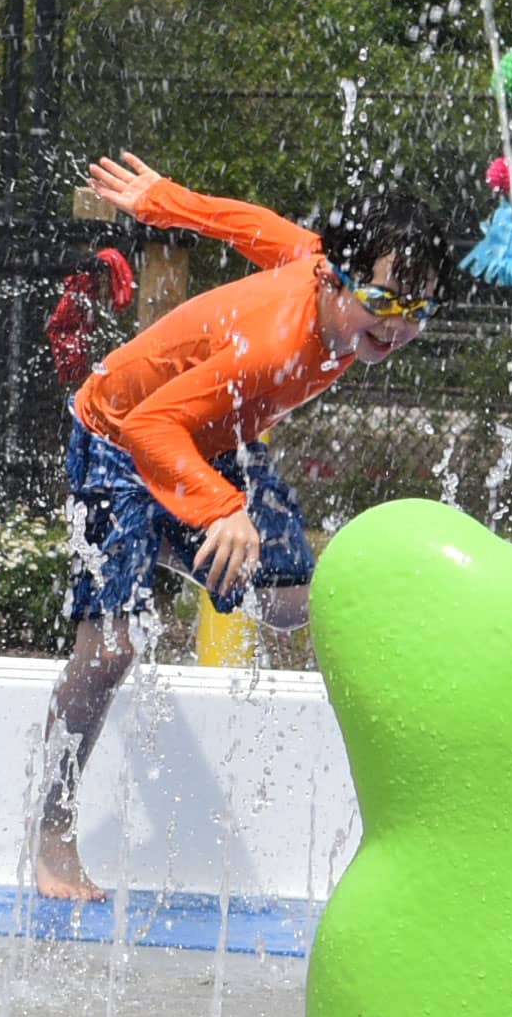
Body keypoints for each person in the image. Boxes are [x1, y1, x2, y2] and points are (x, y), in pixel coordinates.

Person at [38, 153, 443, 904]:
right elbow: (151, 424)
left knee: (292, 601)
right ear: (333, 281)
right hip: (119, 435)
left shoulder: (324, 271)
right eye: (385, 304)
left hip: (211, 440)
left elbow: (252, 227)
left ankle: (171, 535)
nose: (399, 328)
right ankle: (53, 835)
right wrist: (220, 508)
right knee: (113, 647)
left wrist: (168, 199)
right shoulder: (274, 346)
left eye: (419, 310)